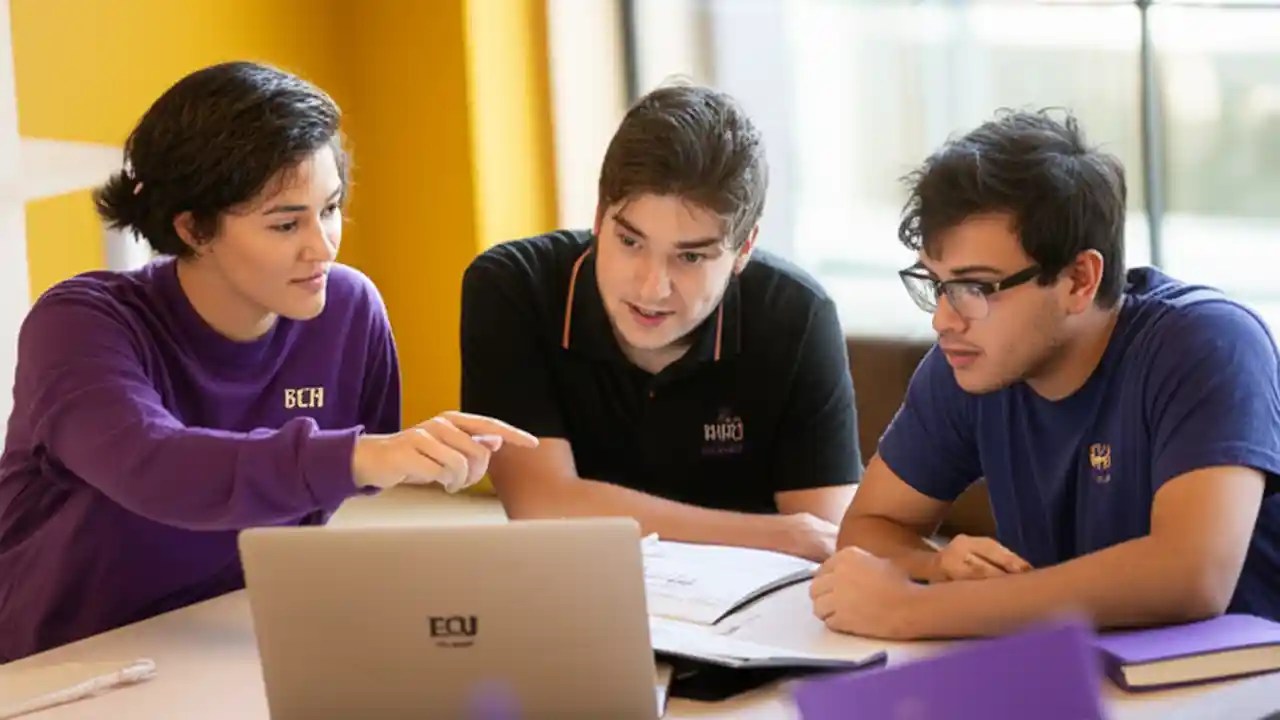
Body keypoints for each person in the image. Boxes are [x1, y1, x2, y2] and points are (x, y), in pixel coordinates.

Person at [0, 61, 535, 662]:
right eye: (286, 223)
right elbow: (155, 467)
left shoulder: (347, 311)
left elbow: (327, 487)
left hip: (226, 639)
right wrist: (363, 455)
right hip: (54, 665)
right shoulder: (78, 324)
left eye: (330, 209)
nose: (323, 246)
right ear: (194, 228)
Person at [810, 108, 1280, 639]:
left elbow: (1191, 576)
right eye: (936, 284)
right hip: (1081, 680)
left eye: (975, 288)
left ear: (1080, 279)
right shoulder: (967, 363)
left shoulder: (1208, 344)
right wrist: (935, 567)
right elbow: (867, 528)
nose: (943, 318)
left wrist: (911, 610)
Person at [459, 83, 860, 562]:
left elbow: (824, 537)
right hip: (578, 588)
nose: (653, 288)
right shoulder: (513, 286)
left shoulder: (798, 315)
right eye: (630, 242)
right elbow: (542, 504)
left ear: (744, 249)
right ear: (599, 216)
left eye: (689, 256)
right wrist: (778, 534)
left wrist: (795, 538)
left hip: (749, 612)